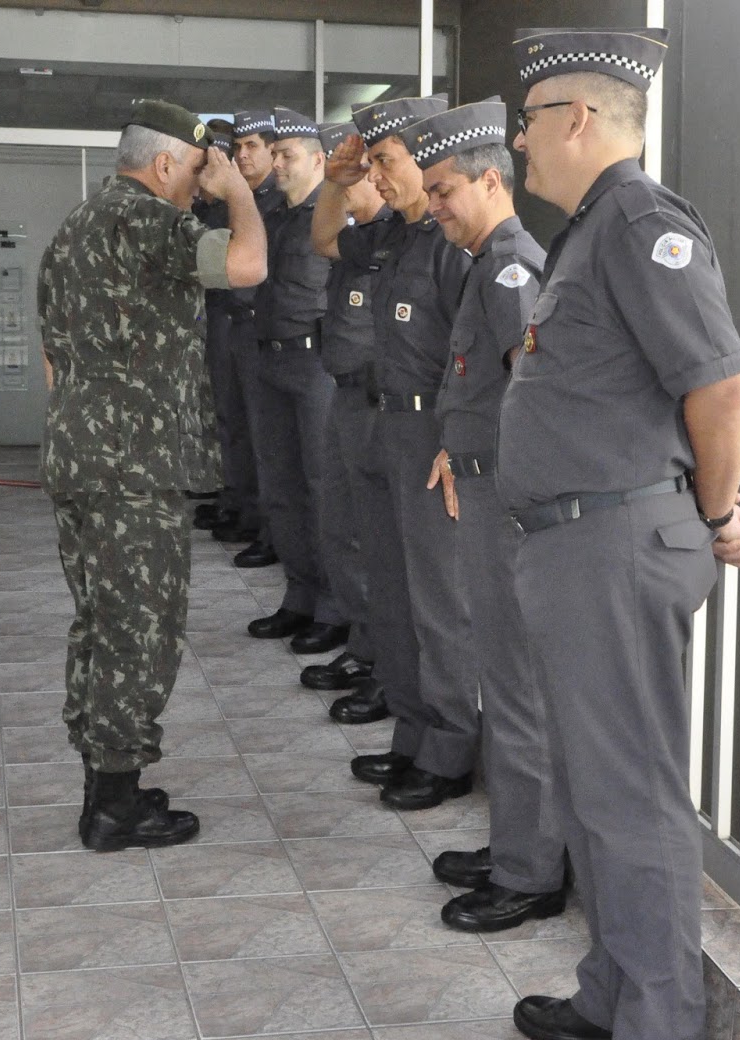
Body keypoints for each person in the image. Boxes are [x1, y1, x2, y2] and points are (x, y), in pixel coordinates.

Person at [498, 29, 740, 1040]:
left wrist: (714, 515)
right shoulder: (589, 229)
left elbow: (721, 382)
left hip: (611, 540)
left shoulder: (640, 221)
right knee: (591, 787)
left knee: (631, 795)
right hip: (576, 543)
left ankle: (659, 1033)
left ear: (577, 118)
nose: (519, 147)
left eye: (528, 123)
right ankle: (612, 993)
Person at [37, 99, 268, 852]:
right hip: (134, 467)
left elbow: (51, 354)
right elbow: (248, 265)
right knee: (142, 630)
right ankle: (115, 806)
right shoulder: (150, 222)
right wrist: (240, 192)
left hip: (81, 456)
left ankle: (106, 784)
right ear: (165, 163)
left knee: (101, 623)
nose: (202, 184)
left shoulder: (74, 227)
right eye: (198, 168)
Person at [398, 97, 568, 933]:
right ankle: (514, 845)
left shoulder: (510, 270)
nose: (434, 208)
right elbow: (485, 388)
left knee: (514, 686)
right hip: (481, 481)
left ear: (490, 181)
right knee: (500, 680)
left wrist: (489, 467)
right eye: (428, 194)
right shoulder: (483, 263)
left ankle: (530, 871)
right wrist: (453, 446)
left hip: (508, 501)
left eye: (443, 192)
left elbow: (536, 395)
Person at [314, 94, 480, 811]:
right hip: (381, 424)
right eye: (372, 161)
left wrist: (455, 443)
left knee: (439, 604)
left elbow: (482, 362)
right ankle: (411, 735)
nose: (376, 177)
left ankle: (449, 752)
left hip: (430, 439)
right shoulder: (391, 237)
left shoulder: (454, 245)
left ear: (427, 159)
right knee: (391, 590)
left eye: (386, 161)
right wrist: (335, 180)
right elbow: (324, 240)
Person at [243, 107, 348, 654]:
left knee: (321, 488)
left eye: (286, 155)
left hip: (314, 366)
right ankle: (299, 595)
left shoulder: (333, 220)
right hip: (268, 360)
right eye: (276, 154)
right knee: (280, 487)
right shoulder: (271, 216)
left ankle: (334, 607)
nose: (277, 164)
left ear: (318, 160)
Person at [299, 120, 391, 708]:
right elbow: (324, 237)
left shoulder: (419, 237)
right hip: (348, 396)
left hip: (390, 407)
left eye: (369, 169)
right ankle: (365, 642)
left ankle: (388, 662)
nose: (362, 178)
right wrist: (333, 185)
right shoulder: (371, 236)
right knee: (342, 530)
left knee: (381, 543)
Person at [211, 109, 286, 569]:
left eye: (251, 146)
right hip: (240, 323)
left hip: (268, 330)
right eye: (237, 147)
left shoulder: (277, 203)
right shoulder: (246, 201)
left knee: (269, 440)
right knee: (237, 422)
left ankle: (269, 527)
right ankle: (247, 511)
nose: (242, 155)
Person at [192, 119, 245, 535]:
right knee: (218, 416)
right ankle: (227, 494)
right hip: (212, 316)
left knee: (235, 417)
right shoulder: (206, 207)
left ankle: (240, 504)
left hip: (232, 316)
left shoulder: (236, 206)